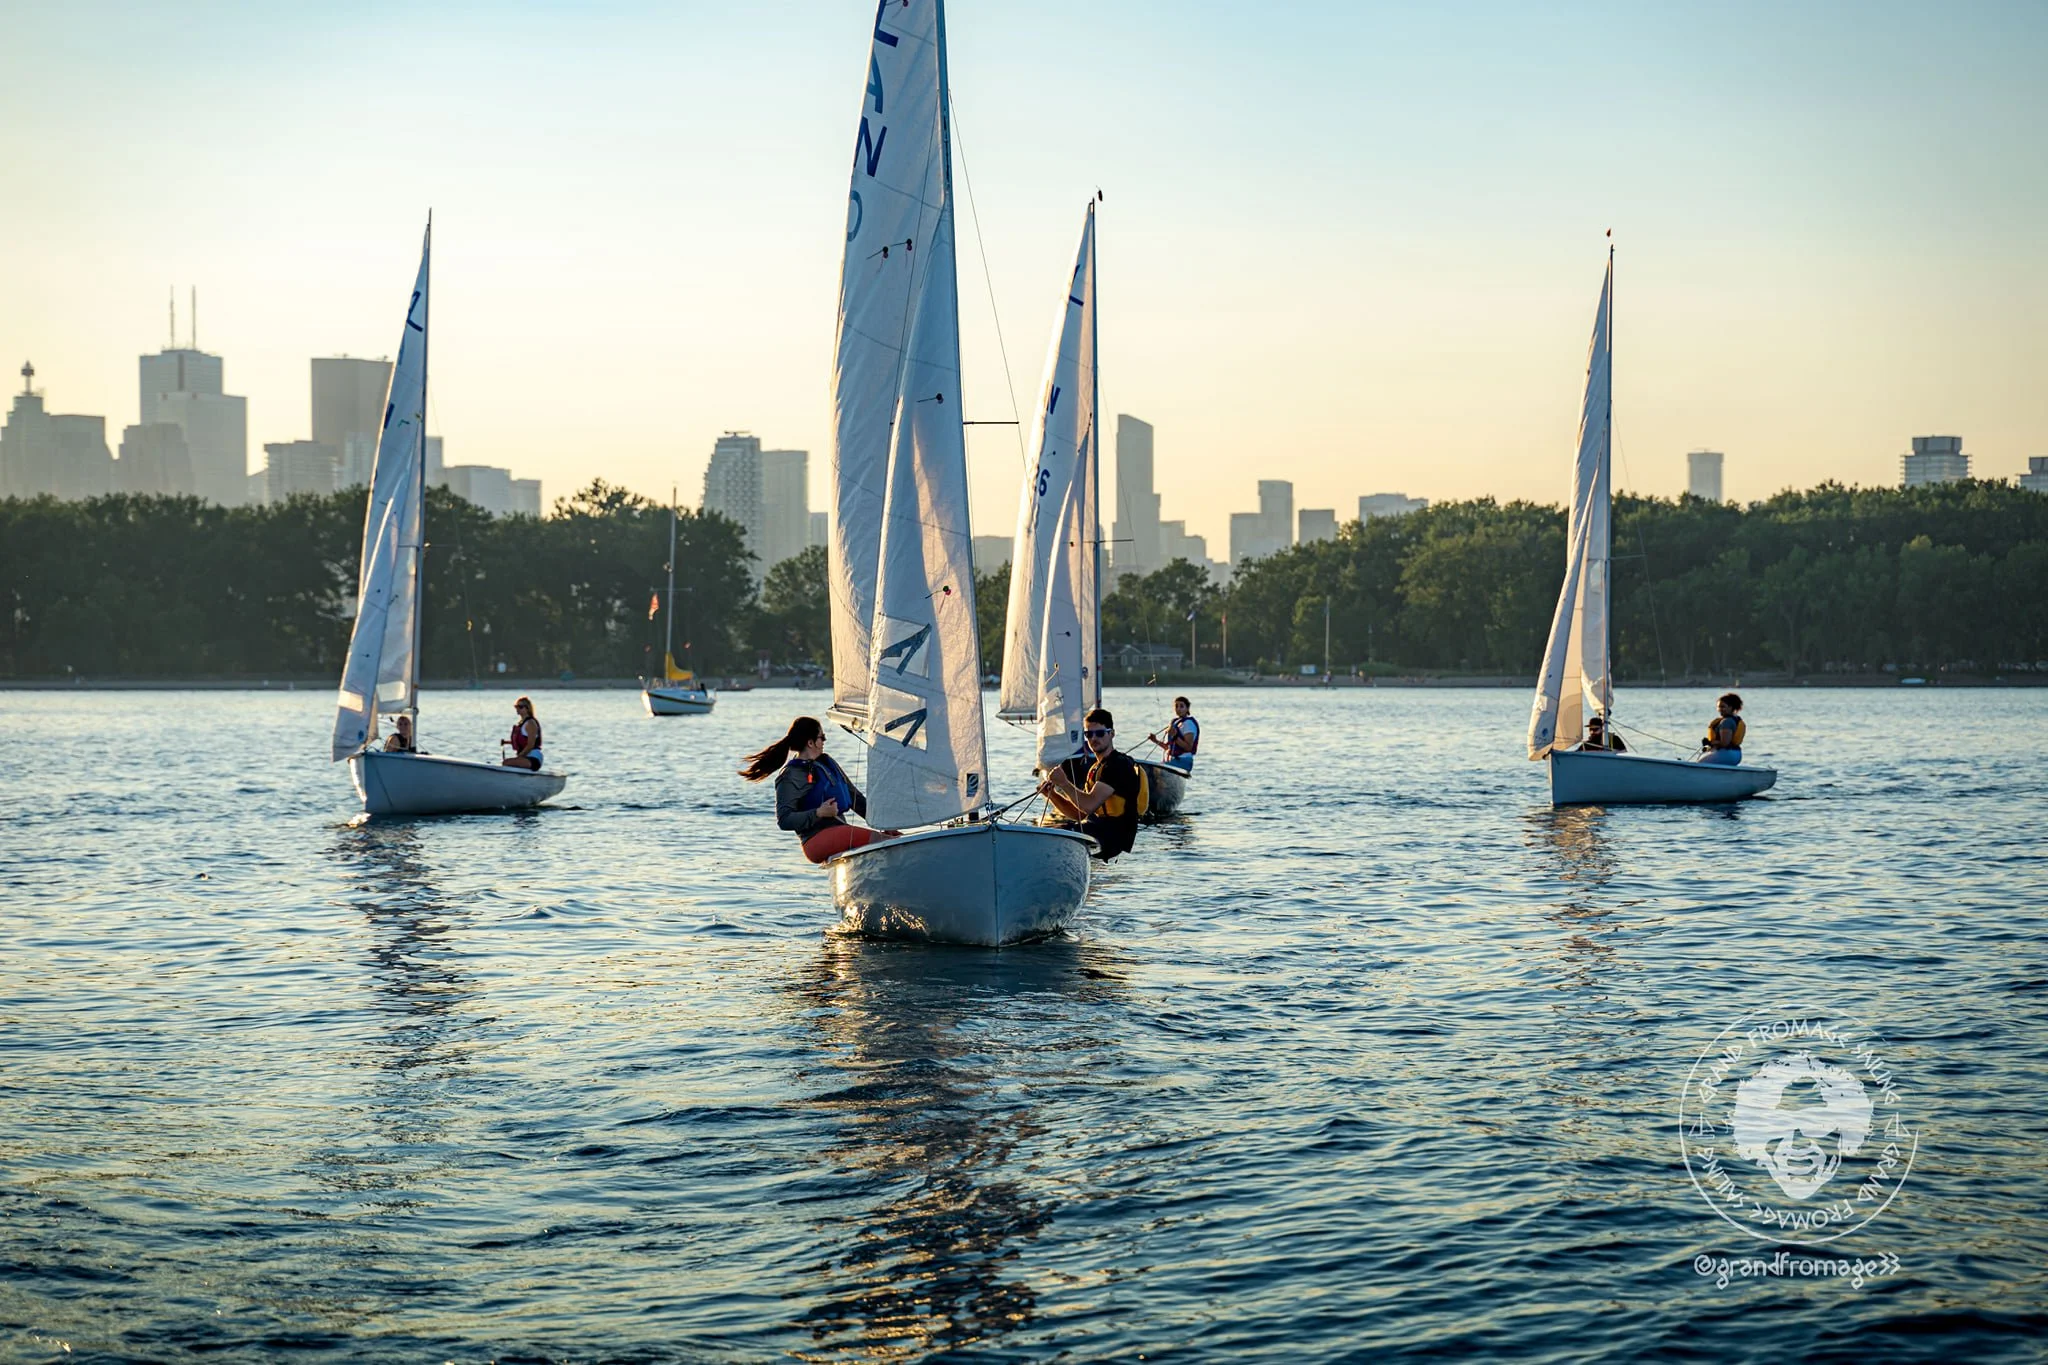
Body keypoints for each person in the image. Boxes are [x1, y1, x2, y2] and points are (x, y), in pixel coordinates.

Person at [740, 717, 897, 864]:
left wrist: (883, 823)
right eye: (822, 737)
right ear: (811, 742)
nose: (824, 741)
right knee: (882, 841)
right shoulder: (790, 775)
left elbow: (856, 799)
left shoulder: (828, 764)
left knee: (895, 840)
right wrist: (819, 813)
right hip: (814, 840)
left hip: (839, 831)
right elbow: (784, 820)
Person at [1038, 707, 1144, 859]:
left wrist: (1064, 783)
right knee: (1050, 831)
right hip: (1096, 830)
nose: (1094, 738)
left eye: (1100, 733)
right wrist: (1052, 795)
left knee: (1056, 836)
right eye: (1089, 734)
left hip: (1113, 838)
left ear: (1111, 734)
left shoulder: (1117, 765)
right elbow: (1079, 813)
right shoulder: (1096, 768)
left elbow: (1089, 804)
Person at [1146, 696, 1200, 773]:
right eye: (1176, 706)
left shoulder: (1188, 724)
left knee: (1155, 771)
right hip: (1173, 761)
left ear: (1187, 708)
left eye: (1181, 706)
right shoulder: (1176, 722)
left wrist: (1175, 736)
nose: (1178, 709)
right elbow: (1168, 748)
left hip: (1183, 762)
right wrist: (1155, 740)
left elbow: (1188, 748)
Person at [1698, 692, 1746, 765]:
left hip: (1727, 754)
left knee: (1700, 764)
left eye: (1723, 707)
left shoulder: (1726, 722)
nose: (1720, 709)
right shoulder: (1734, 719)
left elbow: (1724, 743)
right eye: (1718, 707)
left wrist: (1709, 743)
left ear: (1731, 707)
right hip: (1736, 754)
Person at [503, 696, 543, 770]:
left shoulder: (530, 723)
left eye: (520, 707)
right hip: (526, 757)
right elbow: (522, 741)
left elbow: (530, 745)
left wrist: (519, 756)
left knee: (506, 763)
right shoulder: (522, 724)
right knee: (507, 762)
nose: (517, 709)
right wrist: (507, 742)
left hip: (534, 758)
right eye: (516, 706)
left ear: (527, 709)